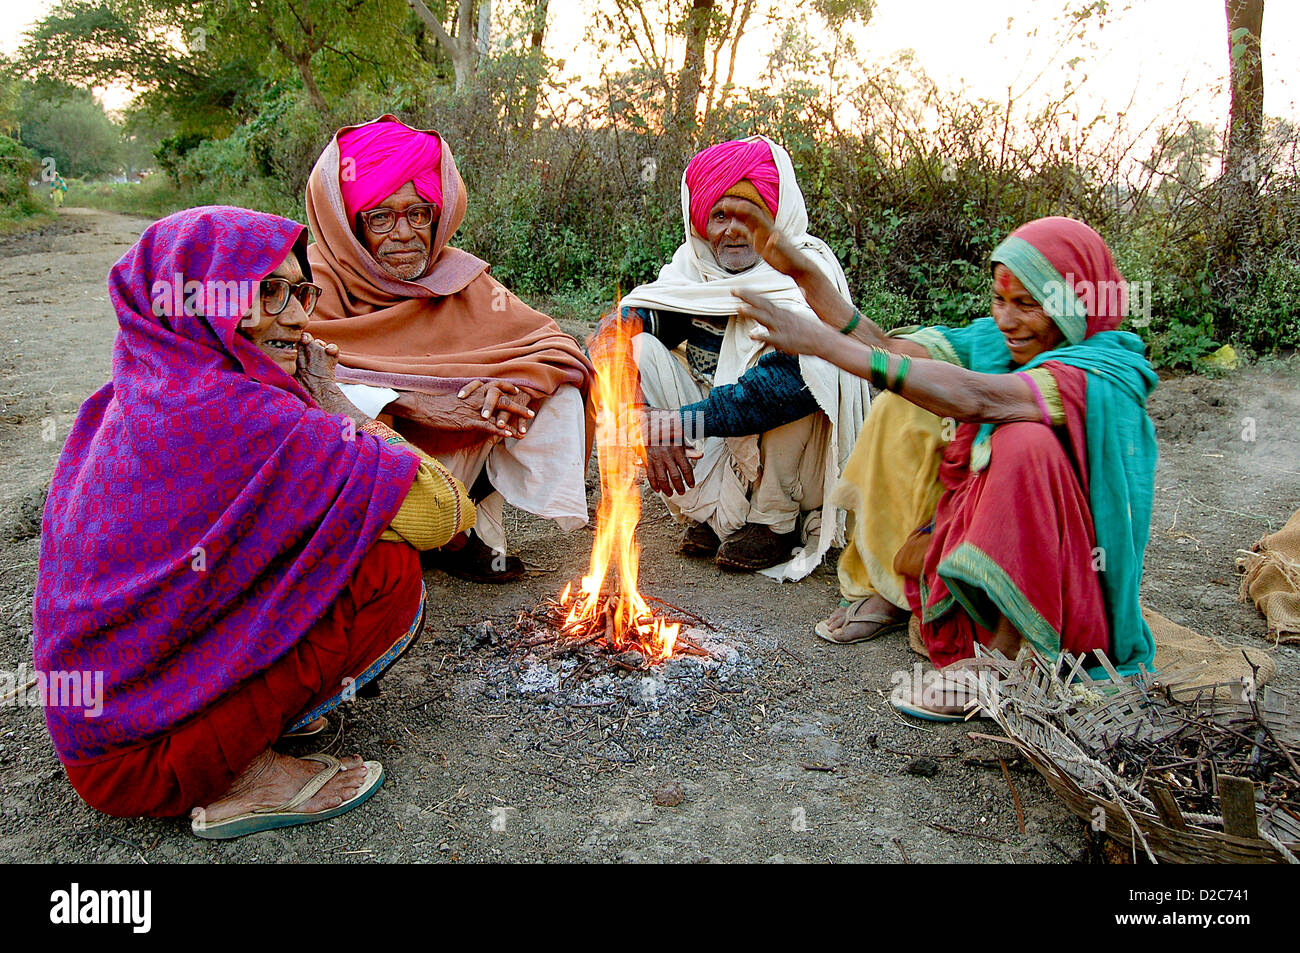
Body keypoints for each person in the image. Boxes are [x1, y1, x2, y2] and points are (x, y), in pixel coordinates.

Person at [33, 205, 475, 838]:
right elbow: (443, 514)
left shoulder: (125, 398)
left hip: (96, 735)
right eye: (267, 292)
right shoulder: (256, 417)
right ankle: (244, 774)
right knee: (388, 567)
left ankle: (241, 716)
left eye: (300, 291)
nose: (297, 316)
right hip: (145, 762)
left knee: (339, 527)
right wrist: (335, 400)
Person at [724, 205, 1158, 718]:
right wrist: (804, 275)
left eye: (1027, 305)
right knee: (903, 401)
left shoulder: (1101, 373)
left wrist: (821, 345)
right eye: (999, 299)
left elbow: (981, 400)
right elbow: (889, 351)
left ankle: (1008, 656)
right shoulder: (998, 343)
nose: (1006, 320)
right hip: (1003, 537)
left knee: (1023, 442)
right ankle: (904, 591)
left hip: (1073, 575)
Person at [303, 115, 595, 583]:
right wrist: (414, 402)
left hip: (455, 454)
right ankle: (399, 542)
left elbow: (552, 344)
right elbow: (292, 371)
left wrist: (511, 387)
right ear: (348, 225)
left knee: (549, 388)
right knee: (360, 405)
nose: (404, 234)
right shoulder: (308, 282)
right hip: (362, 462)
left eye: (418, 213)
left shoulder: (459, 278)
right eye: (381, 217)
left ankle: (459, 524)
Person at [603, 137, 871, 579]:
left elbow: (783, 389)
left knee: (807, 366)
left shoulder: (804, 273)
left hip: (788, 465)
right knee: (635, 349)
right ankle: (710, 515)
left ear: (775, 218)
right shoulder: (694, 269)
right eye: (720, 215)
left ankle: (774, 521)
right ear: (701, 222)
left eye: (749, 216)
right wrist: (638, 412)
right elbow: (618, 328)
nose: (733, 230)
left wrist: (675, 422)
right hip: (717, 446)